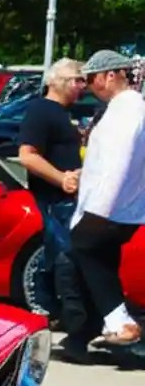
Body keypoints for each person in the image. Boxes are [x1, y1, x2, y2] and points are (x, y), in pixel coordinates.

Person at [64, 50, 145, 351]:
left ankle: (119, 322)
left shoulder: (127, 110)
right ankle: (100, 325)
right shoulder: (126, 108)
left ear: (110, 75)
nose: (89, 86)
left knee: (84, 248)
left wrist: (101, 208)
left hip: (113, 206)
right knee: (102, 260)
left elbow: (121, 161)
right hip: (121, 206)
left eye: (91, 79)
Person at [18, 58, 86, 320]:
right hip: (54, 200)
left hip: (69, 198)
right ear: (56, 82)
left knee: (64, 256)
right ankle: (54, 310)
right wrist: (61, 179)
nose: (82, 86)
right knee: (63, 256)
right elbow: (27, 155)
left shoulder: (64, 113)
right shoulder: (41, 110)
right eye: (76, 80)